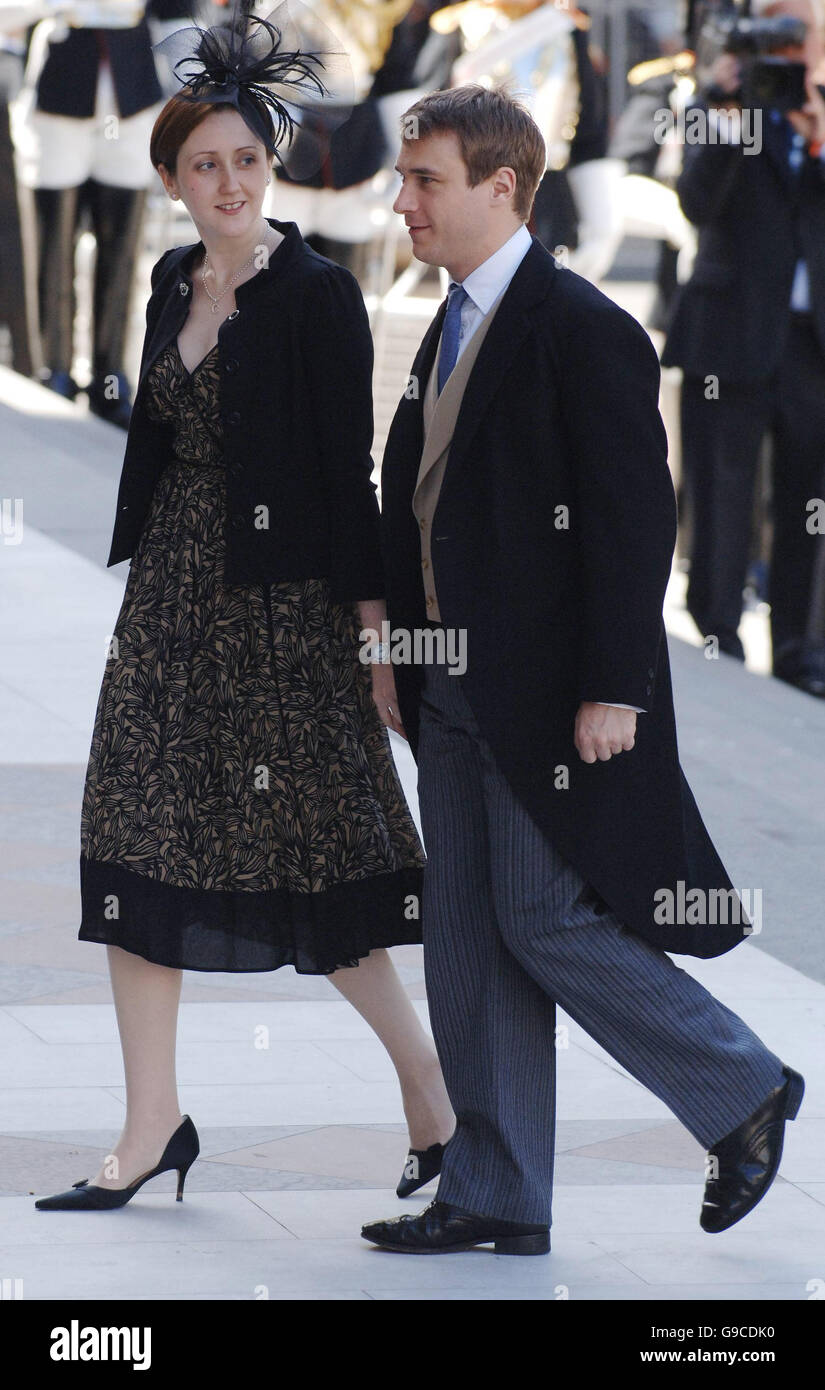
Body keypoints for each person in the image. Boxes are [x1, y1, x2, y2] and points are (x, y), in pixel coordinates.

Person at [361, 83, 803, 1257]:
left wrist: (617, 685)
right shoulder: (449, 316)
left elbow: (631, 520)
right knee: (462, 933)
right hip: (447, 681)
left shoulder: (585, 327)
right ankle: (496, 1189)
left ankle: (741, 1087)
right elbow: (417, 499)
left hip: (552, 690)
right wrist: (396, 648)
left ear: (502, 187)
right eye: (406, 179)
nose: (403, 200)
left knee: (544, 919)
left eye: (425, 181)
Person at [33, 1, 454, 1213]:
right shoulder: (172, 279)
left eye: (249, 162)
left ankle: (433, 1103)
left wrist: (373, 630)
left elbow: (350, 471)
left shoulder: (316, 295)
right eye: (206, 164)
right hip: (169, 609)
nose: (229, 182)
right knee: (132, 842)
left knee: (313, 857)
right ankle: (152, 1123)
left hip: (281, 617)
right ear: (169, 177)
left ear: (273, 168)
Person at [661, 0, 825, 695]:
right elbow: (694, 203)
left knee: (806, 500)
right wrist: (725, 109)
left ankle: (797, 646)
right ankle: (716, 633)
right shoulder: (717, 99)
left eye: (800, 31)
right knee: (720, 487)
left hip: (811, 341)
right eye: (775, 31)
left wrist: (817, 135)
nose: (786, 49)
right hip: (728, 329)